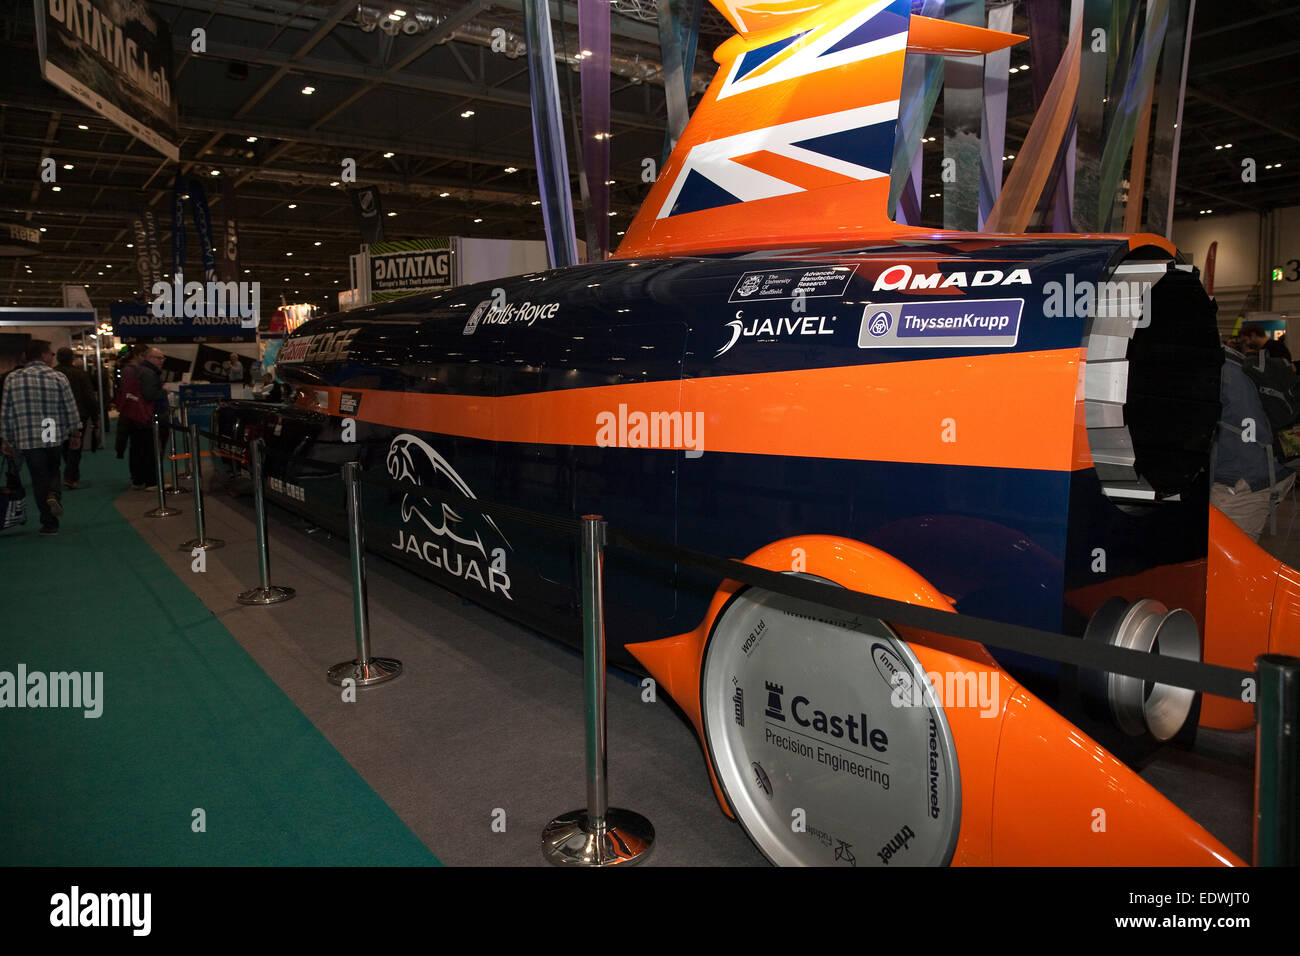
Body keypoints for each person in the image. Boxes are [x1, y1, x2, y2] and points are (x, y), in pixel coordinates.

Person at [0, 339, 82, 535]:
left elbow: (6, 412)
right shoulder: (58, 377)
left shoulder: (13, 378)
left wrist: (6, 439)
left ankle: (49, 523)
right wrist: (75, 432)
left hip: (27, 435)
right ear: (44, 355)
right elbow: (69, 407)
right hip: (51, 429)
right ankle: (53, 494)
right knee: (53, 468)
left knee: (38, 478)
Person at [53, 348, 98, 489]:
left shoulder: (52, 374)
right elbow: (89, 396)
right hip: (78, 415)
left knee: (58, 446)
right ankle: (71, 476)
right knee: (75, 446)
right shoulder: (80, 374)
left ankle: (63, 475)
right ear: (71, 358)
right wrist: (95, 415)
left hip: (56, 416)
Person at [129, 347, 171, 490]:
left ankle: (139, 479)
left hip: (141, 417)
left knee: (141, 449)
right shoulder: (149, 373)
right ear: (149, 358)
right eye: (158, 358)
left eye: (162, 358)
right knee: (151, 450)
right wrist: (164, 391)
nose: (161, 361)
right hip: (151, 417)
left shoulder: (141, 371)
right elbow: (149, 395)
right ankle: (151, 481)